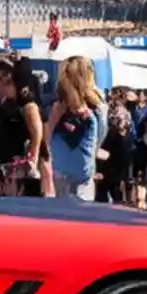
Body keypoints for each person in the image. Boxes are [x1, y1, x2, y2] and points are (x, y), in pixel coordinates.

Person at [45, 56, 104, 202]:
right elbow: (100, 138)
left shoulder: (58, 106)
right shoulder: (96, 108)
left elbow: (46, 140)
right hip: (79, 175)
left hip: (65, 173)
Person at [0, 59, 44, 197]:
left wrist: (32, 158)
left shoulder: (25, 104)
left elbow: (37, 132)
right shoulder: (5, 105)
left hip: (19, 169)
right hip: (6, 166)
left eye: (2, 80)